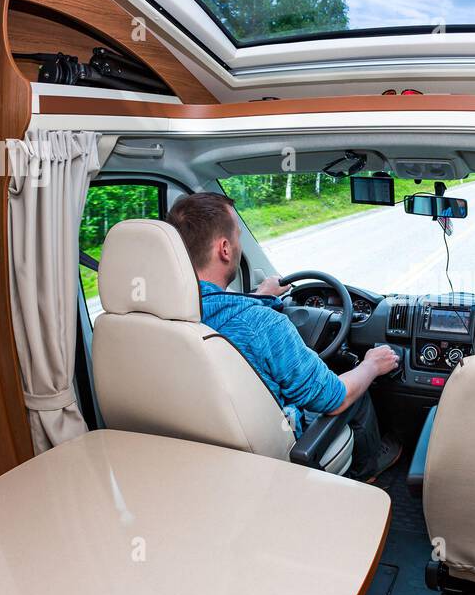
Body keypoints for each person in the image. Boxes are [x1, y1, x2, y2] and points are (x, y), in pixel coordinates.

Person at [166, 192, 401, 482]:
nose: (239, 244)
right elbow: (335, 399)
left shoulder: (155, 316)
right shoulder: (263, 324)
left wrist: (259, 297)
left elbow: (216, 309)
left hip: (188, 452)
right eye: (239, 236)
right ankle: (366, 473)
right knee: (357, 392)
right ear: (225, 249)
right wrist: (372, 365)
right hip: (273, 460)